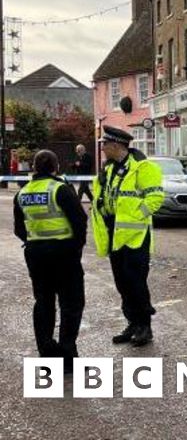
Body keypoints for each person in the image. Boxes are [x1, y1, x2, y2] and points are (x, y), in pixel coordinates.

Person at [14, 149, 88, 373]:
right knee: (71, 304)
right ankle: (67, 357)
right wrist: (76, 248)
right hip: (64, 254)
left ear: (34, 168)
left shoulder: (23, 193)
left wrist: (35, 242)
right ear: (56, 167)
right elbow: (80, 221)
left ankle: (47, 353)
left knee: (43, 302)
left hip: (36, 254)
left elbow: (19, 229)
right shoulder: (60, 189)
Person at [91, 126, 164, 347]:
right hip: (114, 234)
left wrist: (136, 215)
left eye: (105, 144)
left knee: (136, 282)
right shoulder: (109, 169)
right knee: (122, 283)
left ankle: (144, 327)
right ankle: (132, 323)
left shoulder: (143, 167)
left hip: (135, 235)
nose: (102, 148)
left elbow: (155, 198)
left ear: (116, 145)